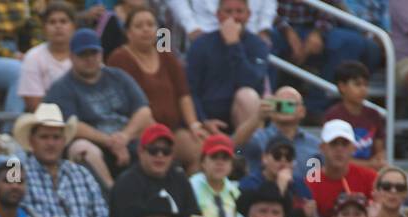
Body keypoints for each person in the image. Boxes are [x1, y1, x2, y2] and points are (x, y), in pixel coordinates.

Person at [44, 28, 153, 189]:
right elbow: (72, 126)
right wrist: (110, 141)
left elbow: (144, 111)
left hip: (127, 140)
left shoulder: (118, 76)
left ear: (101, 54)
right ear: (72, 57)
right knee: (82, 148)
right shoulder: (61, 87)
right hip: (93, 145)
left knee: (156, 135)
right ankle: (110, 195)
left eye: (93, 53)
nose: (89, 59)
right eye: (83, 55)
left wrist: (124, 137)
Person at [16, 102, 109, 217]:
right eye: (44, 137)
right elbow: (24, 215)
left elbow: (101, 212)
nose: (51, 143)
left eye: (56, 137)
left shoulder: (81, 173)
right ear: (32, 141)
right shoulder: (20, 173)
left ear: (64, 141)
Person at [107, 6, 205, 172]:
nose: (146, 30)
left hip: (173, 129)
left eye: (150, 25)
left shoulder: (166, 55)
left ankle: (189, 192)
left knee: (200, 149)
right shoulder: (118, 58)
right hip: (138, 133)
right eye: (139, 26)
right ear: (128, 32)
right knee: (163, 153)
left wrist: (194, 125)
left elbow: (183, 95)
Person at [185, 0, 269, 136]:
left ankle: (250, 153)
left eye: (239, 11)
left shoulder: (258, 45)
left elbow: (251, 82)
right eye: (228, 12)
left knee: (247, 96)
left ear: (248, 15)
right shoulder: (201, 45)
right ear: (218, 15)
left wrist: (233, 44)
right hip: (208, 120)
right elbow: (190, 89)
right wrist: (203, 120)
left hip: (243, 121)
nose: (233, 17)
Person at [108, 123, 199, 217]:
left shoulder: (179, 177)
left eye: (166, 151)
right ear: (141, 151)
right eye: (153, 150)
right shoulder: (126, 183)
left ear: (172, 155)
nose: (160, 155)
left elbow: (194, 214)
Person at [234, 86, 318, 183]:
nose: (284, 108)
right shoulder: (258, 137)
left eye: (290, 104)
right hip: (262, 195)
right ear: (272, 107)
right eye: (279, 104)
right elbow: (236, 148)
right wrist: (257, 117)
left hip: (302, 196)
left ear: (302, 111)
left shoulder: (314, 145)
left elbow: (317, 182)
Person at [322, 60, 385, 169]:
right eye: (357, 84)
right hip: (342, 171)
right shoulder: (333, 115)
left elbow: (379, 151)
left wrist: (377, 161)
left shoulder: (374, 114)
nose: (363, 89)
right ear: (342, 86)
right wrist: (368, 165)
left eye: (366, 85)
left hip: (370, 173)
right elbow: (332, 155)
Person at [17, 1, 75, 112]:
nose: (58, 26)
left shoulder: (84, 55)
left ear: (73, 26)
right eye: (52, 22)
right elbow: (34, 105)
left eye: (63, 21)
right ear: (44, 28)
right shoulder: (33, 57)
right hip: (46, 122)